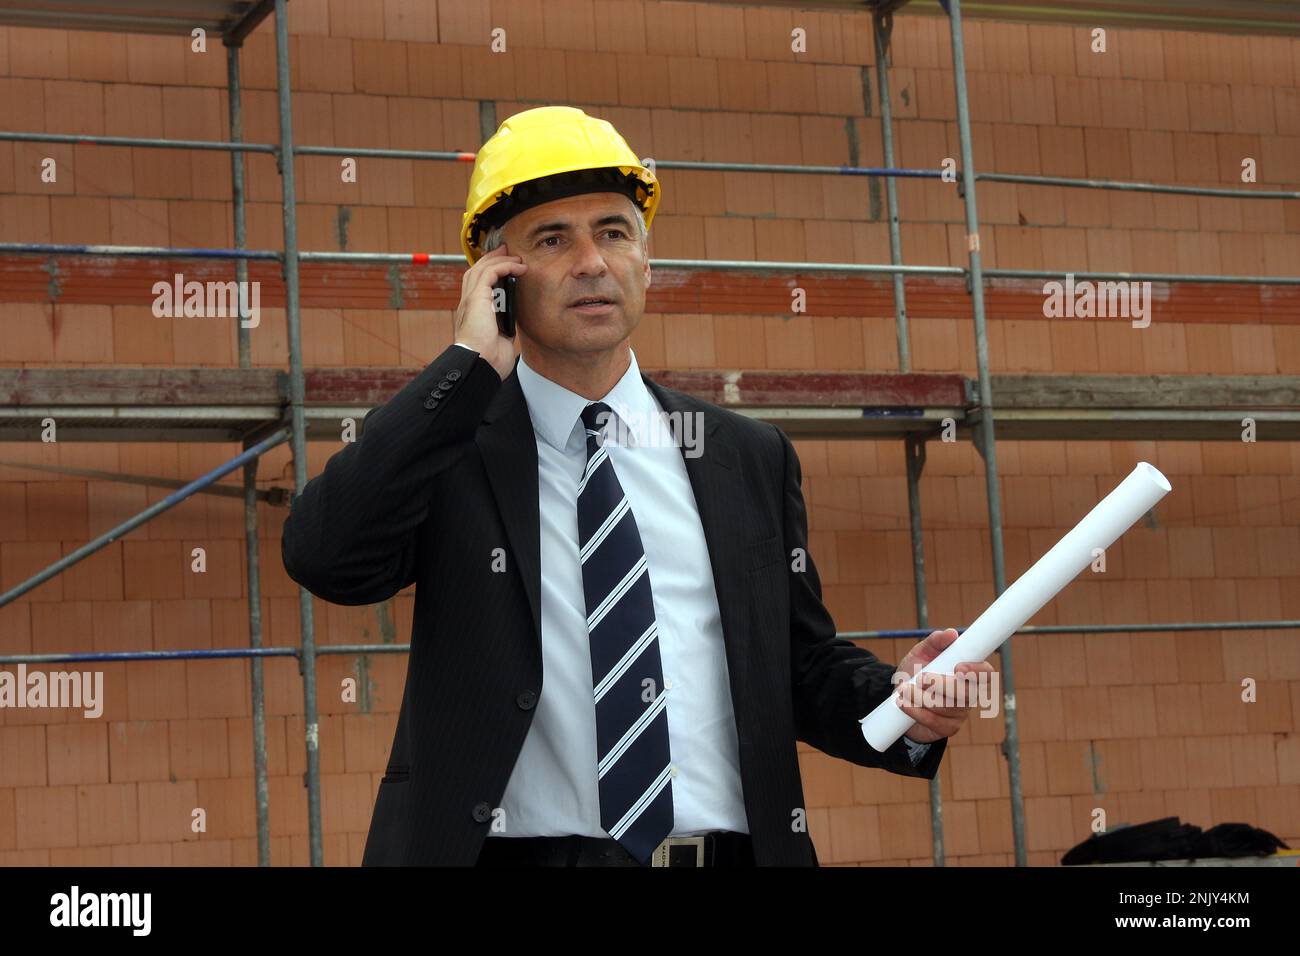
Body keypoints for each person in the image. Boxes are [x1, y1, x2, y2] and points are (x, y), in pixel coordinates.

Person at [281, 105, 994, 867]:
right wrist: (464, 367)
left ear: (645, 263)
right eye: (552, 240)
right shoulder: (452, 448)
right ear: (496, 282)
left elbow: (797, 666)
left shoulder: (745, 456)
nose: (591, 261)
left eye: (614, 232)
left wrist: (899, 705)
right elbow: (327, 556)